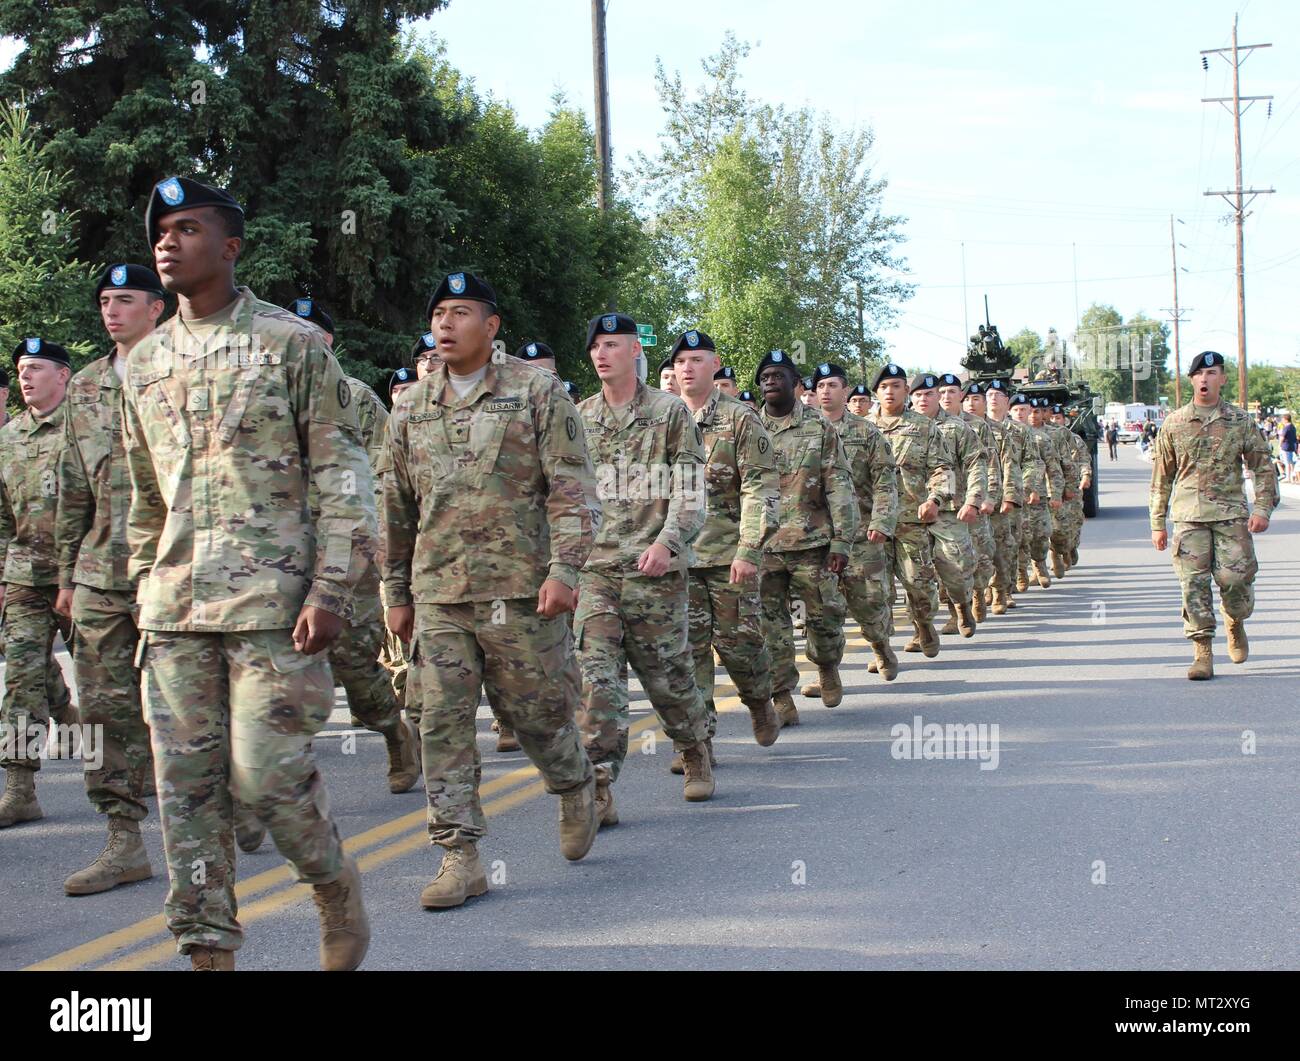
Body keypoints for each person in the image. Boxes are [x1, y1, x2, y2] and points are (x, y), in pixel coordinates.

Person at [123, 176, 372, 971]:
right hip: (173, 616)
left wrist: (334, 588)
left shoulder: (289, 343)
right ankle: (207, 949)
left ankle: (331, 884)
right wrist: (139, 583)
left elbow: (343, 477)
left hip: (274, 607)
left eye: (187, 228)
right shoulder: (143, 362)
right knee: (186, 800)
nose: (168, 240)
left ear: (229, 248)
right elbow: (141, 493)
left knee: (265, 781)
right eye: (161, 229)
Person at [381, 271, 601, 907]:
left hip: (520, 590)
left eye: (460, 312)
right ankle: (460, 854)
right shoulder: (410, 407)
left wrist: (566, 571)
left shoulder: (536, 393)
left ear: (492, 325)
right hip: (439, 594)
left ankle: (573, 783)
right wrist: (396, 591)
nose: (445, 325)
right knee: (441, 722)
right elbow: (394, 506)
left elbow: (571, 487)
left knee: (537, 717)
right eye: (439, 314)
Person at [52, 265, 166, 891]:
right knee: (98, 710)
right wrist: (67, 574)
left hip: (172, 570)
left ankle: (227, 807)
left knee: (184, 707)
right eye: (104, 301)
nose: (111, 311)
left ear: (157, 308)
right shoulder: (88, 386)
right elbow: (72, 488)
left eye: (125, 300)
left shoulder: (184, 369)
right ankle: (122, 838)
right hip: (99, 570)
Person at [576, 312, 714, 815]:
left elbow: (690, 489)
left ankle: (694, 747)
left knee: (668, 677)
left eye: (613, 344)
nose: (602, 354)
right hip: (596, 571)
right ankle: (599, 783)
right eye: (596, 346)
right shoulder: (579, 417)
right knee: (597, 680)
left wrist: (668, 543)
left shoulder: (669, 411)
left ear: (636, 351)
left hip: (654, 568)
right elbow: (566, 494)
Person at [671, 330, 780, 761]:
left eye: (697, 360)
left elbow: (761, 485)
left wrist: (750, 548)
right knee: (686, 653)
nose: (687, 368)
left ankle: (758, 700)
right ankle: (697, 744)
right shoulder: (662, 417)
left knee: (739, 645)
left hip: (728, 553)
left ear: (714, 365)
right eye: (681, 362)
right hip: (676, 556)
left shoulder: (739, 418)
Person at [1150, 351, 1277, 680]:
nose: (1205, 379)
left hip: (1231, 515)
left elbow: (1263, 467)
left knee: (1235, 581)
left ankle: (1235, 620)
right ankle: (1202, 650)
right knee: (1193, 584)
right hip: (1188, 517)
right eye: (1199, 374)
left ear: (1222, 378)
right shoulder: (1175, 423)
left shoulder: (1239, 421)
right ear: (1191, 380)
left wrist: (1262, 507)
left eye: (1212, 373)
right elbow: (1161, 476)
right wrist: (1157, 523)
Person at [0, 339, 78, 829]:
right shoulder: (8, 439)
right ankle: (20, 785)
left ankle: (135, 766)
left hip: (88, 579)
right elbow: (2, 519)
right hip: (27, 577)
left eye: (36, 368)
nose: (25, 377)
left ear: (63, 376)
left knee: (115, 681)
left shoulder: (88, 430)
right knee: (20, 679)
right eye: (22, 370)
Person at [757, 351, 858, 726]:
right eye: (765, 376)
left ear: (796, 384)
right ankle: (781, 696)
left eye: (778, 375)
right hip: (763, 545)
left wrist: (842, 540)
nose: (770, 381)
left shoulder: (819, 427)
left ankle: (827, 665)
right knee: (770, 626)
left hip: (812, 543)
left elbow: (839, 484)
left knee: (825, 617)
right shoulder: (748, 427)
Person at [811, 361, 900, 682]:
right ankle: (827, 673)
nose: (826, 391)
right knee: (822, 609)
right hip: (817, 537)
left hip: (862, 533)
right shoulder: (804, 430)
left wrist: (881, 520)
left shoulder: (865, 431)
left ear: (845, 391)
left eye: (832, 385)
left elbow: (885, 480)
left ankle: (880, 646)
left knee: (869, 603)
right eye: (820, 386)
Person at [868, 364, 952, 658]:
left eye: (896, 386)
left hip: (910, 520)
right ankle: (882, 649)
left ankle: (925, 624)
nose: (889, 392)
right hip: (872, 522)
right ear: (876, 392)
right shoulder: (862, 427)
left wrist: (935, 499)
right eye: (884, 387)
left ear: (906, 390)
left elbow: (943, 468)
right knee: (875, 591)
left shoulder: (924, 426)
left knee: (918, 583)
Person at [920, 373, 984, 638]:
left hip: (949, 508)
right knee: (917, 574)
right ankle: (920, 629)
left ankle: (960, 605)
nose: (925, 399)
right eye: (918, 395)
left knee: (954, 567)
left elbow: (976, 463)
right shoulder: (898, 426)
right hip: (909, 510)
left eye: (931, 393)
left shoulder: (957, 427)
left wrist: (974, 500)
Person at [981, 379, 1027, 614]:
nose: (993, 398)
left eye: (999, 395)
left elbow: (1019, 464)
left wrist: (1012, 495)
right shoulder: (976, 427)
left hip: (1009, 495)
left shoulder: (1017, 430)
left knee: (1007, 544)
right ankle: (988, 589)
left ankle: (1003, 589)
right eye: (989, 394)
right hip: (978, 498)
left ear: (1006, 401)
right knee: (982, 547)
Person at [1011, 397, 1063, 591]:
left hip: (1038, 497)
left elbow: (1053, 468)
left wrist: (1056, 494)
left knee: (1040, 535)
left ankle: (1040, 564)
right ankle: (1020, 572)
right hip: (1010, 497)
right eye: (1016, 410)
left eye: (1024, 410)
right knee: (1016, 537)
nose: (1021, 414)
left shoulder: (1040, 438)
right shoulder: (1001, 434)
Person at [1280, 413, 1297, 484]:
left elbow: (1282, 437)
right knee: (1291, 462)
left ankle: (1288, 478)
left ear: (1286, 419)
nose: (1282, 420)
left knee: (1287, 463)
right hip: (1291, 446)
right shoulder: (1293, 427)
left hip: (1285, 446)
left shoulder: (1286, 427)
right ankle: (1294, 477)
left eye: (1283, 419)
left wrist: (1280, 445)